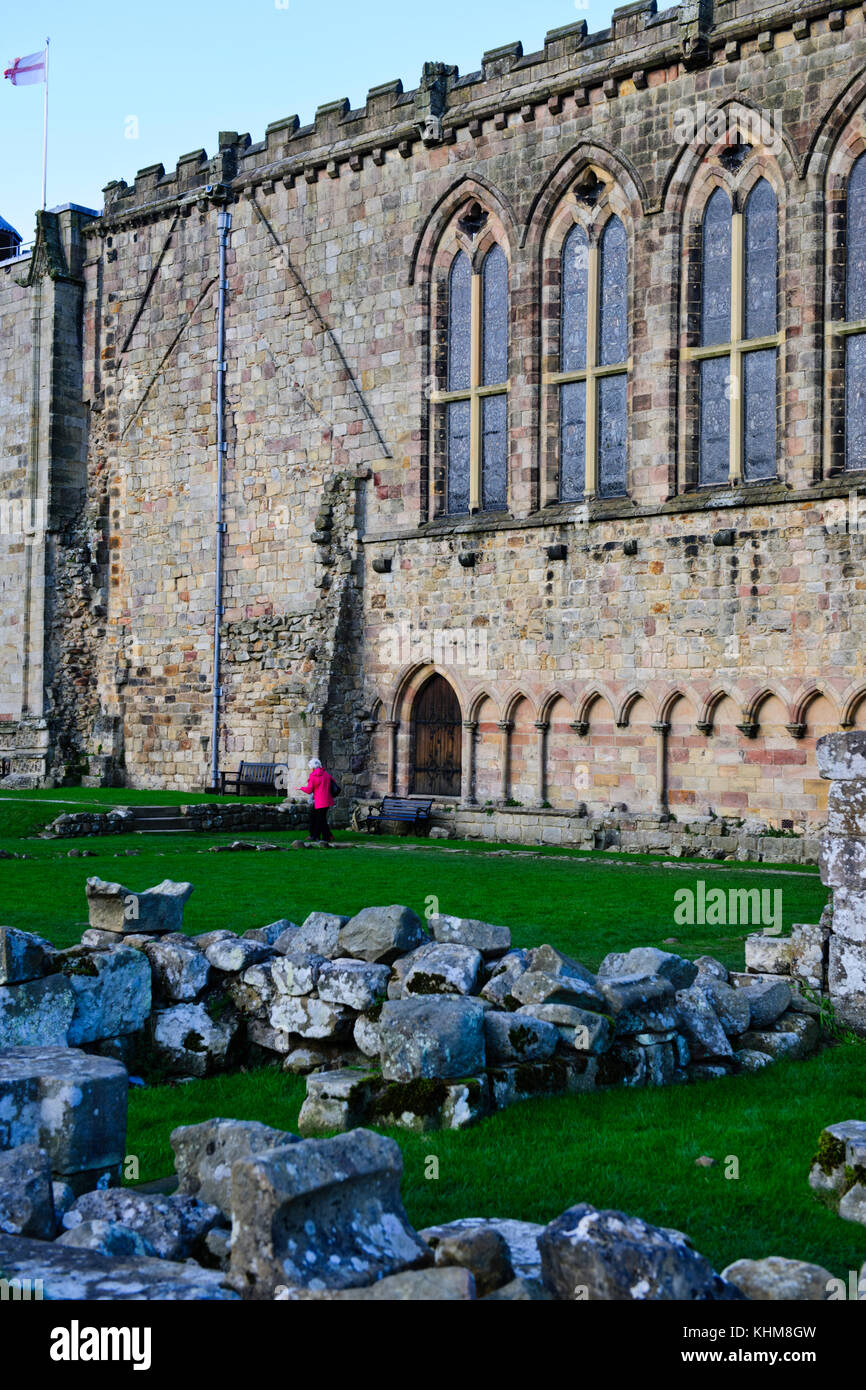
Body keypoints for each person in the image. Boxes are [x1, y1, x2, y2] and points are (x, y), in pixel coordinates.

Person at [297, 757, 336, 843]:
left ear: (312, 768)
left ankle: (325, 837)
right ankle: (320, 836)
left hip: (319, 801)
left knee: (320, 820)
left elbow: (309, 790)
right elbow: (333, 783)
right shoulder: (326, 774)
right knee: (321, 819)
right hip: (327, 800)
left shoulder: (313, 776)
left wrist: (300, 788)